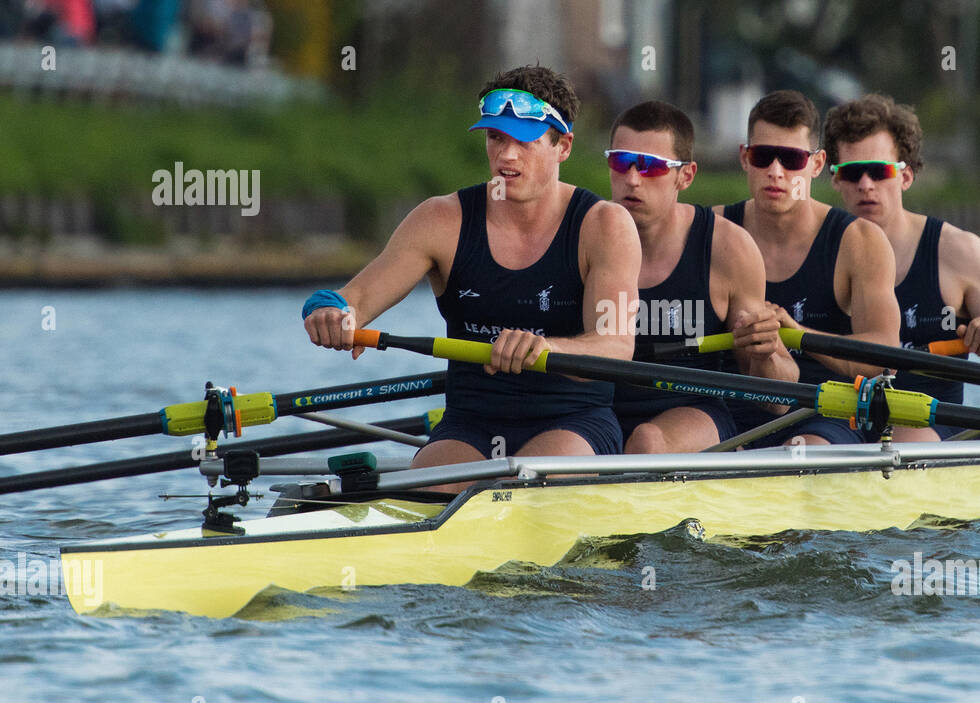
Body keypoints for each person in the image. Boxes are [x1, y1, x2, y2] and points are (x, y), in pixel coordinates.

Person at [304, 65, 641, 474]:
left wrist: (547, 348)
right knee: (429, 486)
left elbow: (617, 347)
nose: (506, 155)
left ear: (563, 146)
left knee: (532, 481)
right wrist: (327, 310)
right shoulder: (441, 220)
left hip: (572, 422)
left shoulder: (604, 225)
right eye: (496, 137)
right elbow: (352, 300)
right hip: (471, 425)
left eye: (524, 140)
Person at [823, 93, 980, 441]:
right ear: (835, 180)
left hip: (933, 431)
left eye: (879, 171)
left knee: (908, 436)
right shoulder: (814, 250)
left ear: (905, 176)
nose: (865, 184)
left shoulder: (958, 252)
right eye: (851, 173)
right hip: (838, 427)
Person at [606, 101, 796, 453]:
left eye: (651, 167)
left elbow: (777, 401)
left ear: (686, 175)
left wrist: (767, 352)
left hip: (690, 411)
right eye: (621, 162)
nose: (632, 179)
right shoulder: (586, 234)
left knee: (647, 442)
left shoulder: (728, 248)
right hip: (600, 408)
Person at [716, 90, 899, 446]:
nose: (775, 172)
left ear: (816, 164)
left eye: (791, 159)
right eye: (762, 156)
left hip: (828, 413)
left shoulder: (859, 241)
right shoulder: (714, 229)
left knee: (800, 451)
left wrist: (797, 333)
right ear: (744, 157)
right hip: (734, 407)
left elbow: (885, 359)